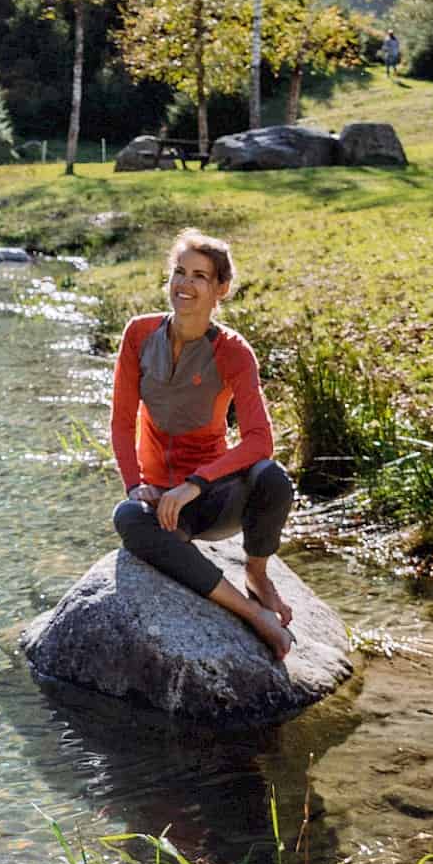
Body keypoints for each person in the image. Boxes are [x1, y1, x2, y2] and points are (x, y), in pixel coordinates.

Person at [108, 229, 295, 657]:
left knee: (273, 479)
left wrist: (196, 482)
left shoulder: (233, 351)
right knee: (128, 519)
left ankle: (258, 576)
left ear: (221, 290)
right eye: (179, 272)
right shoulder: (139, 335)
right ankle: (252, 614)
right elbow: (121, 422)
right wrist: (135, 485)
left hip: (213, 498)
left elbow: (259, 440)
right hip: (160, 503)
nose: (184, 284)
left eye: (199, 276)